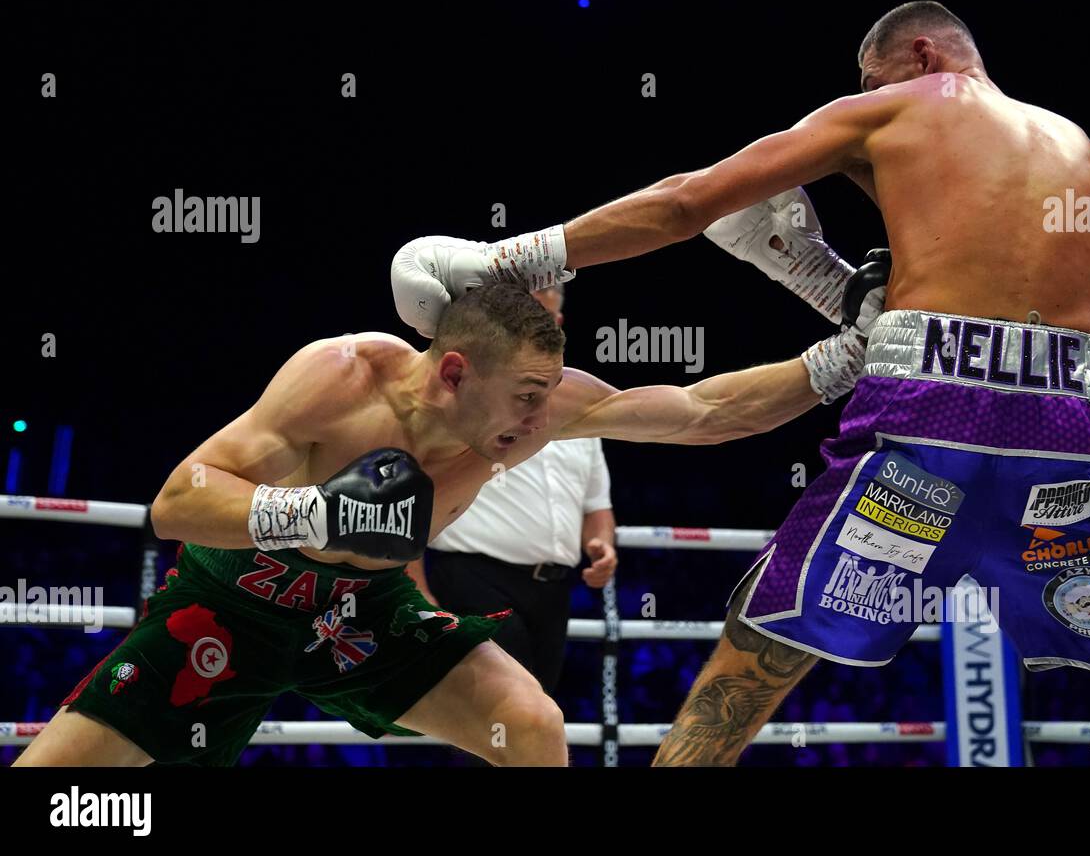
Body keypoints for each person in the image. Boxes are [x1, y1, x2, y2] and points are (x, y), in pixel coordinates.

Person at [391, 0, 1090, 768]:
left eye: (867, 75)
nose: (862, 93)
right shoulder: (1085, 155)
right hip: (1069, 433)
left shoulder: (903, 104)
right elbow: (982, 292)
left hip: (932, 422)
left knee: (733, 688)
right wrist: (840, 291)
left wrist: (512, 256)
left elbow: (690, 201)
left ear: (921, 56)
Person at [15, 270, 886, 766]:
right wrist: (317, 514)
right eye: (526, 399)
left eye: (549, 399)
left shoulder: (532, 408)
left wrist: (848, 354)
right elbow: (178, 501)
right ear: (455, 372)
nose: (538, 423)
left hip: (366, 613)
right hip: (235, 601)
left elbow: (699, 411)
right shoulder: (343, 377)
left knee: (534, 723)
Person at [409, 283, 618, 695]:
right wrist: (416, 588)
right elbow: (412, 492)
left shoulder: (582, 410)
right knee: (502, 713)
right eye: (534, 313)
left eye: (551, 317)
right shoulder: (471, 397)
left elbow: (596, 505)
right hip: (475, 577)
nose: (544, 325)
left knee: (535, 716)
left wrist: (601, 545)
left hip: (554, 591)